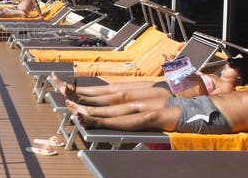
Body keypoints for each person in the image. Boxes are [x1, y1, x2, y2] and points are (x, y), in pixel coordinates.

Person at [53, 57, 248, 107]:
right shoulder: (215, 75)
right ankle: (76, 91)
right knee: (116, 87)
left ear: (239, 75)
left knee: (125, 96)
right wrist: (173, 63)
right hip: (170, 84)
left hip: (175, 96)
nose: (225, 67)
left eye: (230, 66)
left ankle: (81, 100)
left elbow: (211, 105)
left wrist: (198, 80)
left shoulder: (229, 89)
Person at [65, 86, 248, 135]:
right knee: (137, 104)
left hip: (213, 117)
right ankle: (87, 107)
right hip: (201, 102)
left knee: (152, 117)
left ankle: (95, 121)